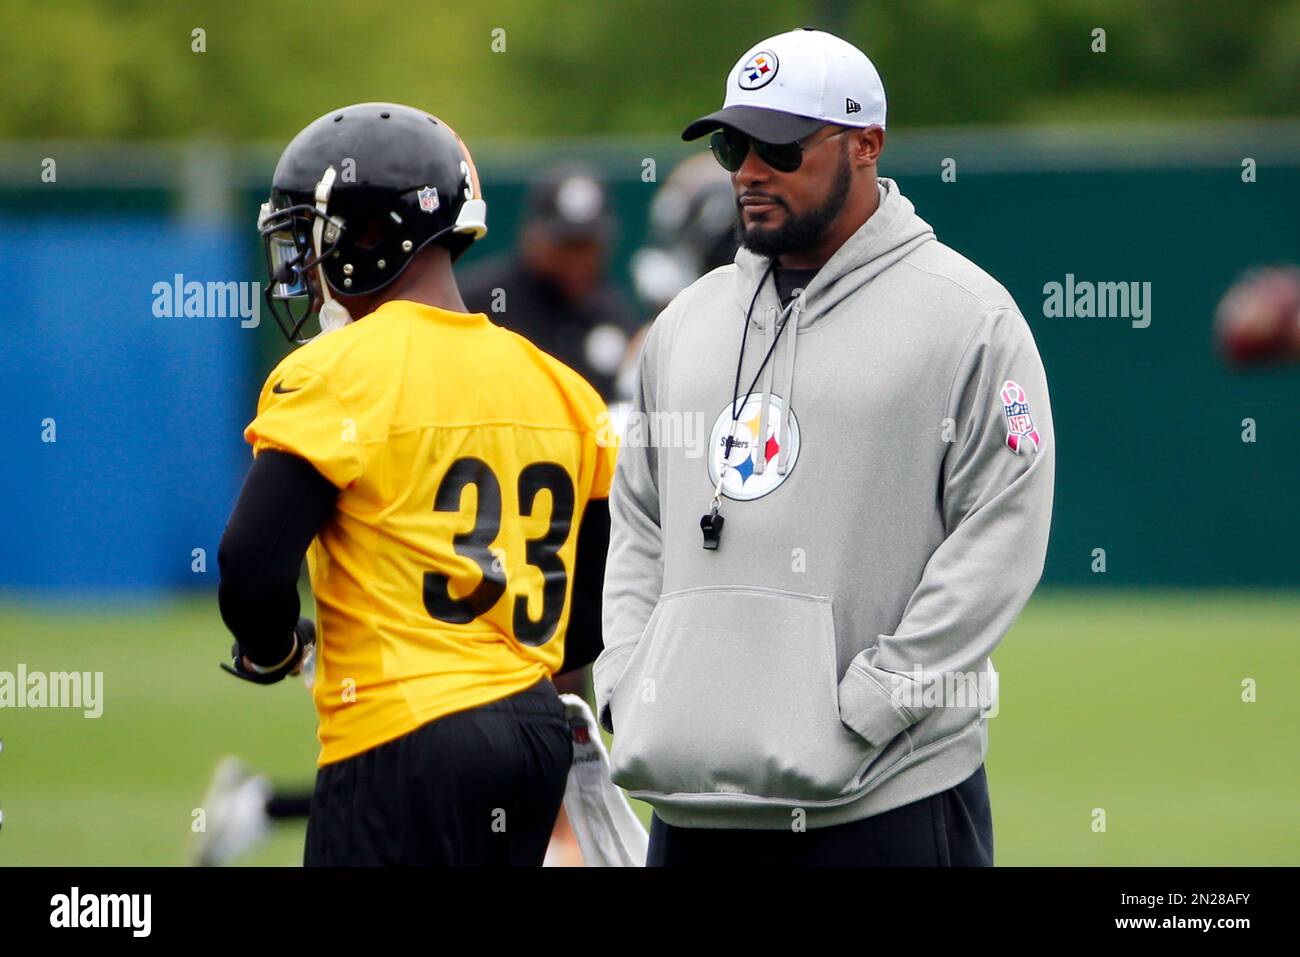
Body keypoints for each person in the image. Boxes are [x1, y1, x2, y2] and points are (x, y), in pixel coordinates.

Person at [593, 28, 1055, 866]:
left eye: (779, 145)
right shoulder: (685, 324)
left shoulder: (968, 316)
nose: (747, 170)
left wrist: (872, 704)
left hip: (888, 800)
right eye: (734, 144)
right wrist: (629, 683)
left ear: (866, 144)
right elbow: (640, 525)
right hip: (694, 810)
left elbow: (1001, 533)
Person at [216, 102, 615, 866]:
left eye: (313, 235)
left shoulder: (337, 372)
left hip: (403, 734)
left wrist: (269, 649)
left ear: (371, 236)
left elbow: (251, 566)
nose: (302, 263)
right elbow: (582, 626)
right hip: (534, 739)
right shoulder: (565, 390)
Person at [459, 165, 641, 401]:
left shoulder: (612, 311)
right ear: (533, 235)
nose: (577, 259)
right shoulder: (481, 300)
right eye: (565, 244)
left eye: (587, 244)